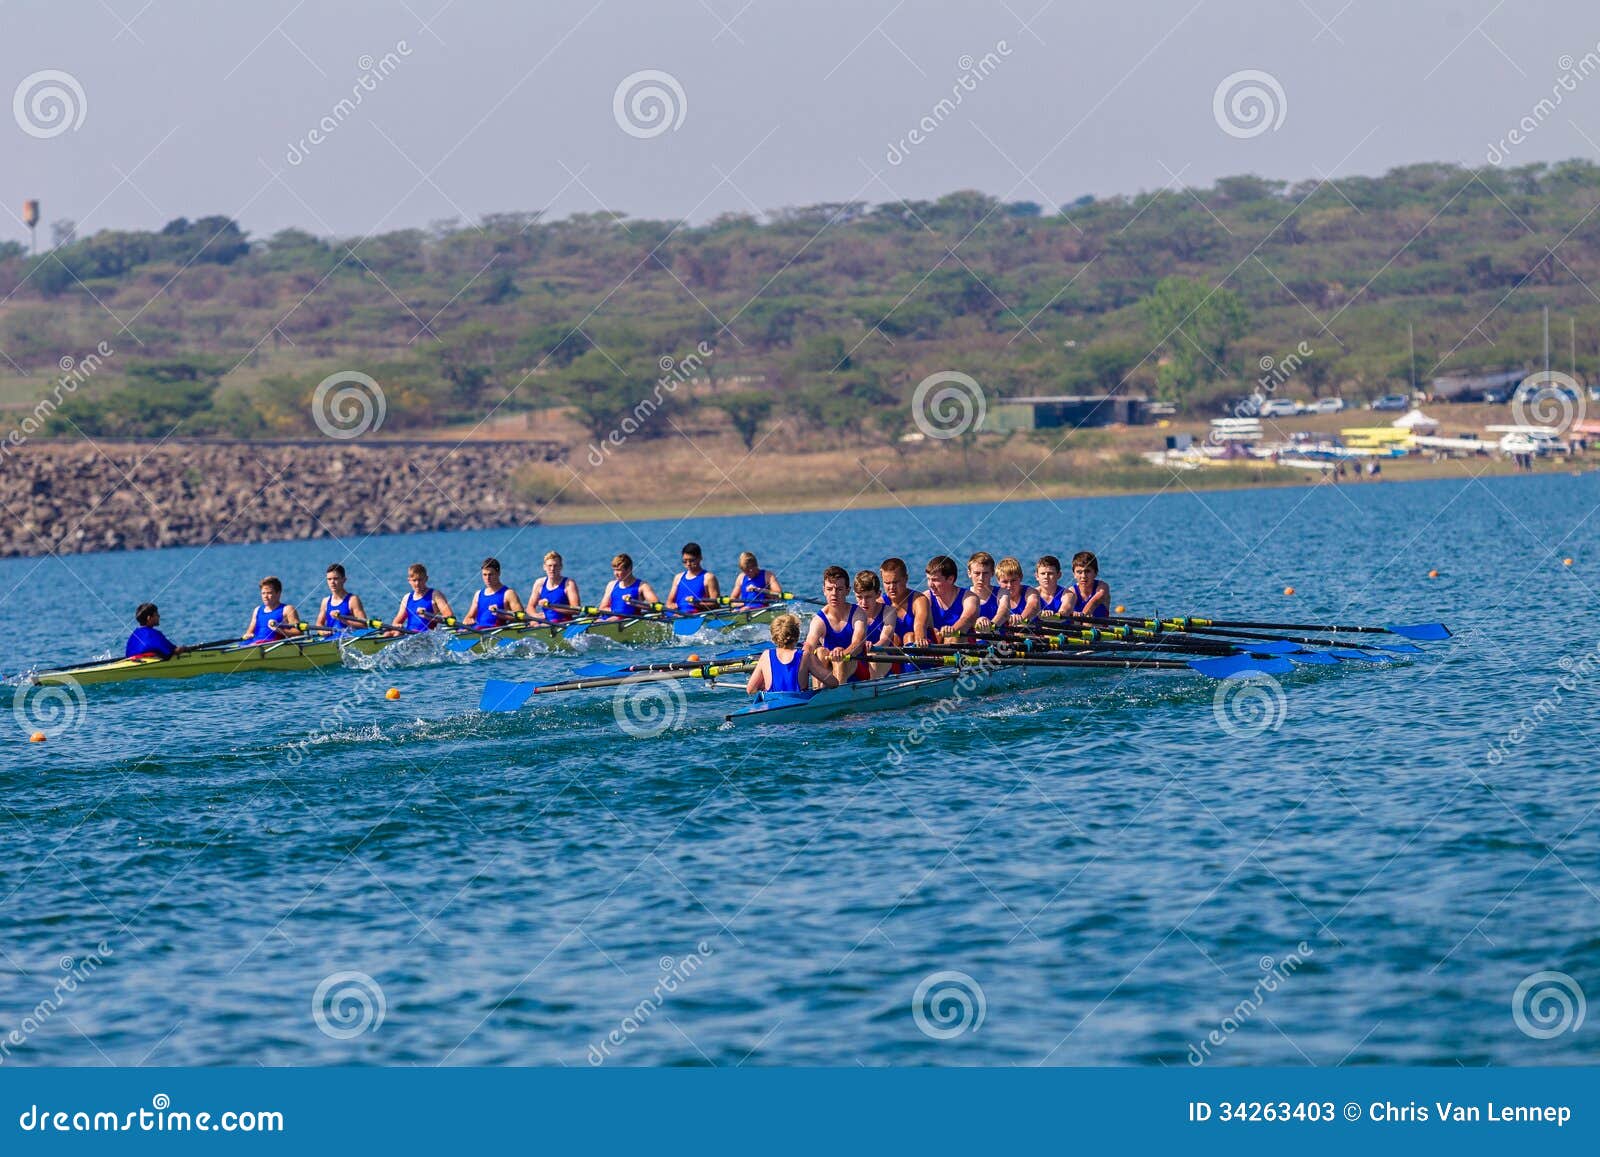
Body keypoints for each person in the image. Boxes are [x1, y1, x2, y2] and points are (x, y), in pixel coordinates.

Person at [747, 612, 839, 695]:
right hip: (800, 703)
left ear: (773, 637)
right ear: (797, 635)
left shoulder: (766, 655)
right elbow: (833, 683)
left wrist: (765, 684)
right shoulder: (805, 656)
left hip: (771, 703)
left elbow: (751, 690)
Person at [805, 565, 867, 683]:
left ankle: (837, 691)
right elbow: (809, 645)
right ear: (824, 590)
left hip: (854, 666)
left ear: (847, 591)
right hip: (828, 667)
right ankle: (819, 690)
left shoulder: (858, 614)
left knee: (839, 660)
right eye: (829, 589)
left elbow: (858, 643)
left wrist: (842, 654)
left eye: (839, 589)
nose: (834, 593)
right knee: (820, 652)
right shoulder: (819, 620)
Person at [853, 569, 896, 680]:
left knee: (874, 654)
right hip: (860, 663)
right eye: (859, 597)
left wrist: (872, 647)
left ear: (878, 594)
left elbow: (885, 640)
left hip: (883, 662)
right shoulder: (851, 613)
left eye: (868, 597)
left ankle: (874, 686)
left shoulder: (889, 612)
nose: (863, 602)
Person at [925, 554, 978, 639]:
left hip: (961, 642)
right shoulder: (926, 597)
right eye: (928, 579)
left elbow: (966, 619)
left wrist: (951, 631)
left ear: (950, 579)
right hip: (937, 641)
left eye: (935, 580)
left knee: (954, 638)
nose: (930, 585)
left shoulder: (969, 598)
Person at [880, 556, 930, 647]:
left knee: (909, 636)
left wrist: (920, 638)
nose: (891, 587)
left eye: (895, 582)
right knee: (894, 638)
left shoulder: (919, 600)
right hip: (894, 647)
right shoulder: (879, 603)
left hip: (918, 645)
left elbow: (920, 625)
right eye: (887, 583)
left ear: (906, 578)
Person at [464, 557, 525, 629]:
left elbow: (522, 617)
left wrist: (502, 614)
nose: (487, 578)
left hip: (498, 630)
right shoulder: (478, 594)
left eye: (490, 574)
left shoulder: (509, 593)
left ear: (498, 573)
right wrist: (468, 620)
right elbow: (468, 618)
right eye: (484, 575)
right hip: (479, 629)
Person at [392, 563, 454, 632]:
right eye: (414, 580)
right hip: (409, 634)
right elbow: (396, 622)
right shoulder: (407, 598)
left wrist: (429, 616)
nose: (417, 583)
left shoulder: (436, 595)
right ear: (409, 580)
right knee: (390, 633)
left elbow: (450, 618)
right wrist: (397, 625)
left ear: (426, 579)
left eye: (420, 580)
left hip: (428, 635)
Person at [598, 553, 660, 619]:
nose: (615, 573)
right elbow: (602, 608)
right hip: (609, 620)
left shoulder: (642, 586)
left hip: (628, 620)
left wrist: (635, 603)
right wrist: (617, 612)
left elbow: (657, 607)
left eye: (619, 570)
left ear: (629, 569)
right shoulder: (611, 585)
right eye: (614, 570)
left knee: (614, 619)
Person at [666, 542, 721, 614]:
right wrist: (672, 608)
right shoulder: (678, 577)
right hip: (677, 614)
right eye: (685, 561)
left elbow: (716, 604)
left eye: (691, 560)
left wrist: (697, 604)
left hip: (697, 615)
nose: (688, 564)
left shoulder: (709, 578)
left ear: (700, 558)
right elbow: (669, 603)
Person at [243, 576, 300, 643]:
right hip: (255, 644)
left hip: (274, 645)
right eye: (263, 593)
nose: (265, 596)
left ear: (278, 593)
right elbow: (249, 633)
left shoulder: (287, 609)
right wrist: (248, 635)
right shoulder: (257, 610)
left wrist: (280, 630)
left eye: (269, 593)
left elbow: (299, 632)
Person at [315, 563, 369, 632]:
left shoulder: (353, 600)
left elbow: (363, 625)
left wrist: (342, 619)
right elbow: (319, 624)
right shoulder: (325, 601)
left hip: (349, 637)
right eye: (329, 579)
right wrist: (323, 632)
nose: (332, 582)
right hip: (330, 637)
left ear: (344, 580)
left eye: (335, 578)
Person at [529, 551, 581, 623]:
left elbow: (576, 610)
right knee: (533, 622)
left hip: (563, 623)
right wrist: (536, 615)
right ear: (544, 567)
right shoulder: (539, 583)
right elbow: (530, 607)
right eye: (549, 566)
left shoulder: (569, 584)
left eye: (555, 566)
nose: (552, 569)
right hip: (545, 623)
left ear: (561, 567)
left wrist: (550, 606)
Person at [1066, 551, 1110, 619]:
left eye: (1087, 571)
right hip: (1077, 625)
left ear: (1095, 573)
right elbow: (1065, 609)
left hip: (1099, 625)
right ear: (1074, 574)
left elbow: (1095, 602)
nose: (1083, 576)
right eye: (1079, 572)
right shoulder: (1071, 592)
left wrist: (1083, 615)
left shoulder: (1103, 587)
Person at [996, 557, 1040, 624]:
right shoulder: (994, 594)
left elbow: (1033, 606)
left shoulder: (1031, 592)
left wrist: (1020, 619)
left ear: (1021, 577)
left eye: (1013, 580)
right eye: (1005, 582)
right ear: (998, 581)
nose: (1009, 585)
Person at [967, 551, 1003, 629]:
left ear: (992, 573)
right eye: (977, 573)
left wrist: (990, 626)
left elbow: (1003, 614)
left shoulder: (1002, 593)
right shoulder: (963, 596)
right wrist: (976, 622)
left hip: (995, 635)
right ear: (969, 573)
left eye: (985, 573)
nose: (981, 578)